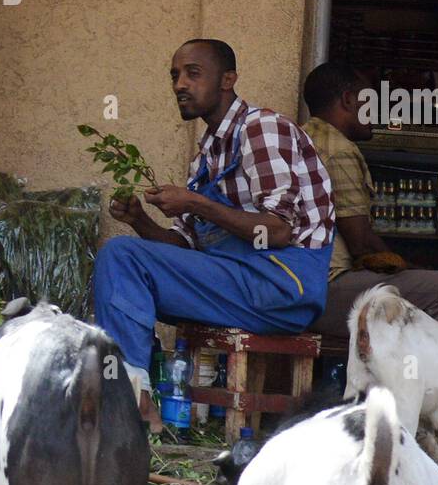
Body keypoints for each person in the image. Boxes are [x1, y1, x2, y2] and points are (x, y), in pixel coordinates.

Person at [94, 39, 334, 427]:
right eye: (174, 76)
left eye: (193, 73)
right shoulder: (207, 155)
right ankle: (134, 393)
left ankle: (129, 401)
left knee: (123, 258)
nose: (179, 85)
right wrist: (139, 221)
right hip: (241, 282)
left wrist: (195, 203)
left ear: (228, 80)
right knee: (123, 259)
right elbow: (183, 247)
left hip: (282, 283)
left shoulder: (261, 129)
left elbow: (277, 231)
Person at [299, 62, 438, 390]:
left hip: (301, 285)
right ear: (347, 100)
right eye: (370, 100)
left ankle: (414, 405)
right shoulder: (339, 150)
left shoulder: (302, 136)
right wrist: (410, 266)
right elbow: (361, 245)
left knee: (420, 291)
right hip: (326, 290)